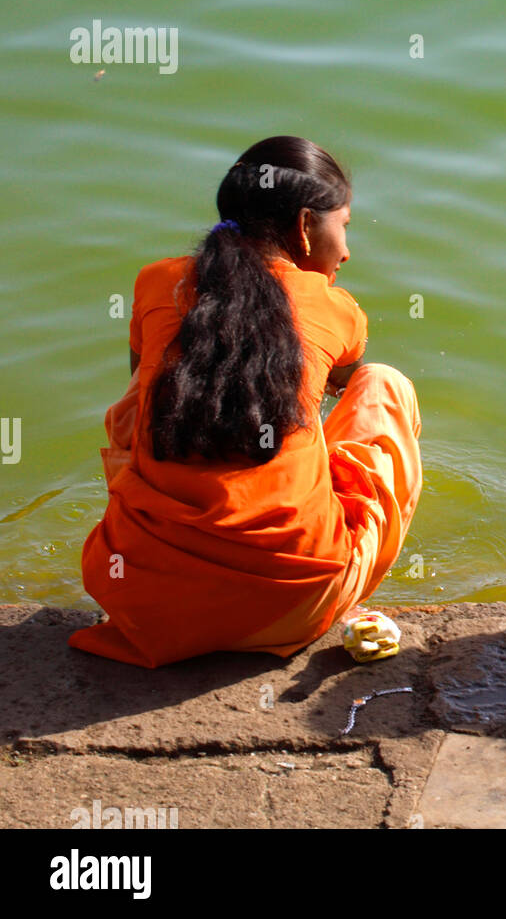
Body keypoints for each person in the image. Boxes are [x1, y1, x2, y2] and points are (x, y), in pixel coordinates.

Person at [69, 136, 422, 668]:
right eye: (343, 225)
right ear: (306, 227)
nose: (346, 251)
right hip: (299, 601)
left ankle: (163, 546)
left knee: (141, 400)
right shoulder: (337, 309)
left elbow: (138, 415)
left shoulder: (156, 282)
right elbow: (337, 384)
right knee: (382, 383)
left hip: (142, 600)